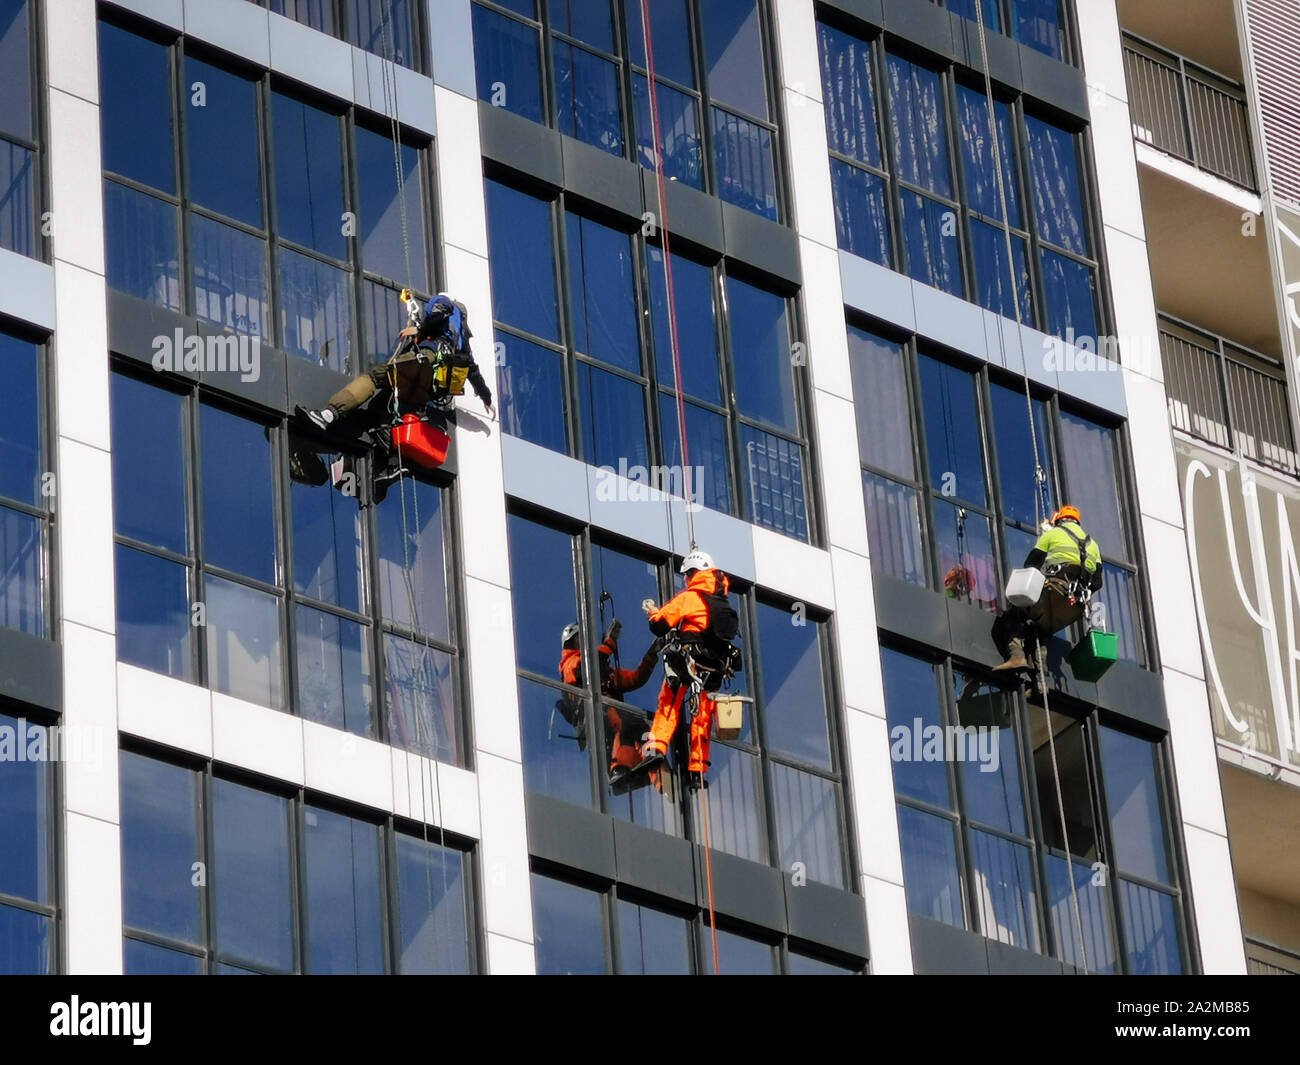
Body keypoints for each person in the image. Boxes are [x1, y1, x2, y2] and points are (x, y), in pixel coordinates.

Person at [297, 292, 493, 433]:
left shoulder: (444, 304)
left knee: (375, 376)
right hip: (428, 389)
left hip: (425, 359)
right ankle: (389, 464)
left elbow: (436, 312)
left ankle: (329, 415)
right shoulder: (461, 342)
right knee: (388, 402)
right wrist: (487, 398)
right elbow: (473, 372)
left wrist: (419, 330)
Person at [635, 549, 739, 788]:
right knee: (702, 718)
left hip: (689, 663)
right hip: (713, 670)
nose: (685, 579)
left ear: (695, 573)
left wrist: (653, 614)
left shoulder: (690, 598)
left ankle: (656, 746)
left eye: (687, 574)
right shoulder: (722, 602)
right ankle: (697, 770)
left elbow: (661, 625)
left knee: (669, 702)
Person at [992, 505, 1103, 674]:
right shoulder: (1093, 545)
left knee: (1013, 615)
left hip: (1055, 590)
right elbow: (1097, 582)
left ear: (1058, 520)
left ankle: (1016, 656)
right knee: (1041, 630)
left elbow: (1031, 564)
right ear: (1077, 522)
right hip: (1075, 606)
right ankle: (1040, 678)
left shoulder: (1053, 534)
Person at [557, 620, 660, 786]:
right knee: (625, 723)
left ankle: (648, 765)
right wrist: (610, 643)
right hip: (594, 712)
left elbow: (635, 678)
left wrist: (651, 655)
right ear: (572, 642)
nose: (584, 643)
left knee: (637, 725)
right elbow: (589, 668)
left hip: (607, 710)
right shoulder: (570, 664)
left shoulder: (605, 674)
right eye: (580, 639)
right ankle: (619, 768)